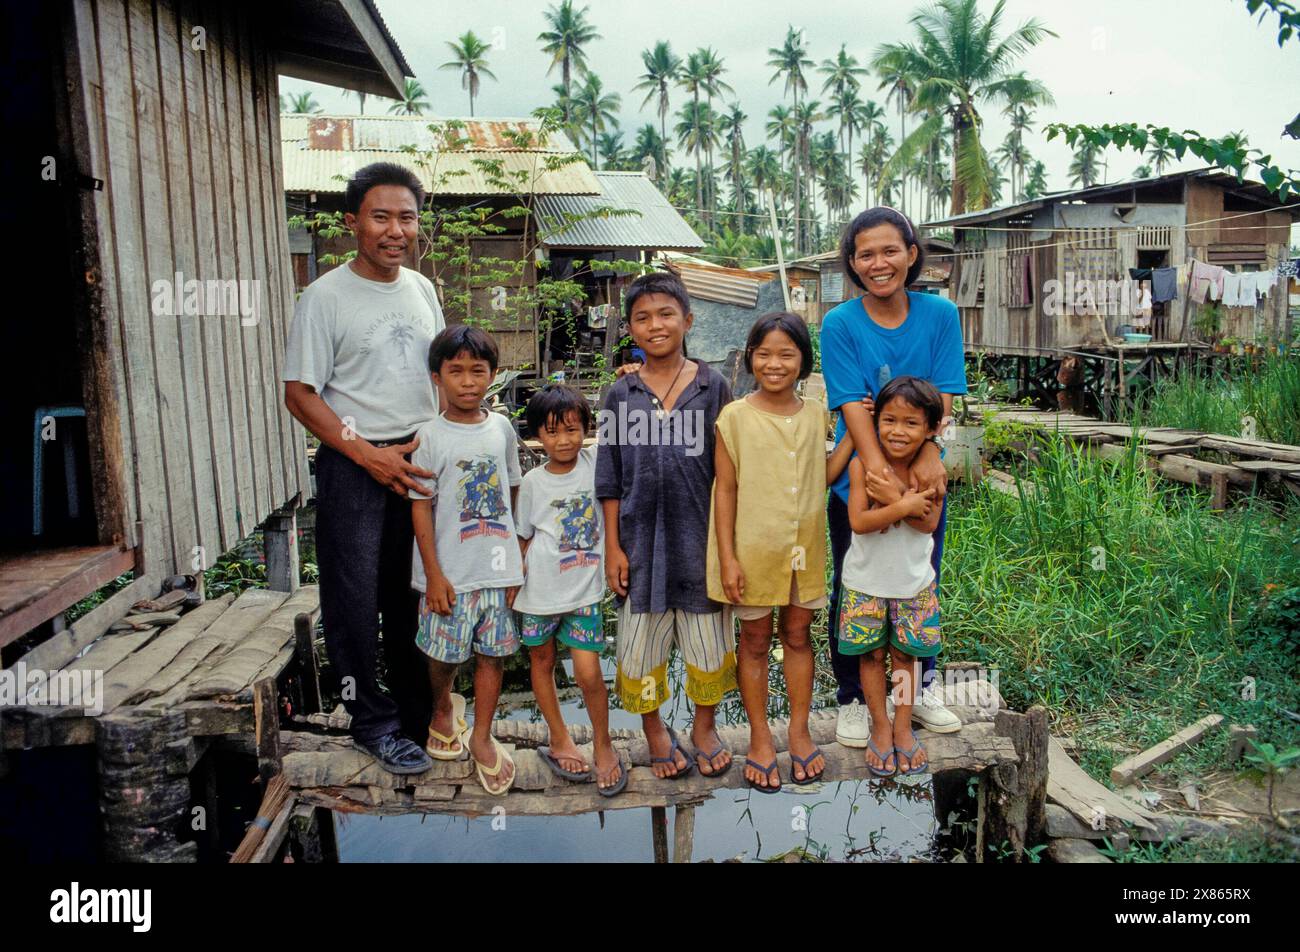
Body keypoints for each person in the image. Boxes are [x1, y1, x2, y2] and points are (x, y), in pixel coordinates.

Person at [283, 162, 441, 775]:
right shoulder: (325, 297)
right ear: (353, 223)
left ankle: (416, 717)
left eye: (406, 217)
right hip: (355, 463)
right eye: (381, 217)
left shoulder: (422, 288)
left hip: (416, 461)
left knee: (413, 593)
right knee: (352, 599)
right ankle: (370, 723)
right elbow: (301, 393)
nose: (395, 230)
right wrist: (365, 453)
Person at [820, 207, 968, 749]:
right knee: (854, 587)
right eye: (865, 254)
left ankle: (921, 685)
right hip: (859, 483)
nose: (878, 263)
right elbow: (854, 411)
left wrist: (928, 455)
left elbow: (944, 394)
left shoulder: (940, 314)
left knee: (918, 584)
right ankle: (854, 697)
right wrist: (884, 484)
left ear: (911, 253)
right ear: (853, 264)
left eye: (889, 251)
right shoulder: (840, 324)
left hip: (924, 483)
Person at [596, 271, 736, 780]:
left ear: (687, 320)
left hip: (699, 542)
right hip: (639, 543)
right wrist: (613, 547)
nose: (655, 325)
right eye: (642, 317)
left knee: (707, 643)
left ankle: (703, 726)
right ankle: (655, 730)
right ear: (630, 327)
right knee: (642, 649)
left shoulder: (712, 385)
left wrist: (729, 549)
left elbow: (728, 474)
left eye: (666, 314)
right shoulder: (620, 393)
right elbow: (608, 477)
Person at [709, 312, 856, 792]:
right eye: (764, 354)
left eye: (786, 354)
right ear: (750, 357)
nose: (775, 364)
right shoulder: (734, 417)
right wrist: (728, 557)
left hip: (803, 549)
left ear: (803, 361)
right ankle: (758, 737)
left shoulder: (816, 411)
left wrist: (856, 430)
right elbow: (725, 491)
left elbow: (825, 475)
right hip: (752, 551)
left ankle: (797, 729)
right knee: (753, 642)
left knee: (797, 636)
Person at [409, 326, 522, 796]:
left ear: (492, 376)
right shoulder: (429, 436)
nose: (468, 381)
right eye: (456, 371)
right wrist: (433, 574)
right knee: (442, 652)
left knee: (492, 654)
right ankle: (441, 707)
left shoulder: (501, 428)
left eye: (478, 371)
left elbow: (513, 486)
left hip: (497, 569)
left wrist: (516, 557)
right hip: (449, 571)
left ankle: (480, 733)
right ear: (437, 377)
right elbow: (420, 504)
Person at [515, 385, 626, 797]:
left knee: (589, 673)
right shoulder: (531, 483)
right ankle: (559, 736)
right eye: (552, 432)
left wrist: (624, 378)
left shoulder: (597, 463)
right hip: (539, 592)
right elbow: (524, 538)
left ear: (586, 429)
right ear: (537, 436)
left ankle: (603, 742)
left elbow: (620, 433)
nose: (564, 441)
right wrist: (513, 582)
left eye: (572, 430)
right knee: (541, 663)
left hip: (583, 593)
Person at [839, 376, 945, 776]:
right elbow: (860, 522)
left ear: (931, 429)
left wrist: (895, 499)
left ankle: (902, 727)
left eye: (911, 423)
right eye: (889, 420)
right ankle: (879, 726)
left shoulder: (932, 473)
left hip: (912, 584)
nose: (898, 431)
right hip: (865, 583)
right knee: (871, 655)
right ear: (876, 422)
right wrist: (904, 504)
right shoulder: (862, 464)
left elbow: (927, 524)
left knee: (906, 657)